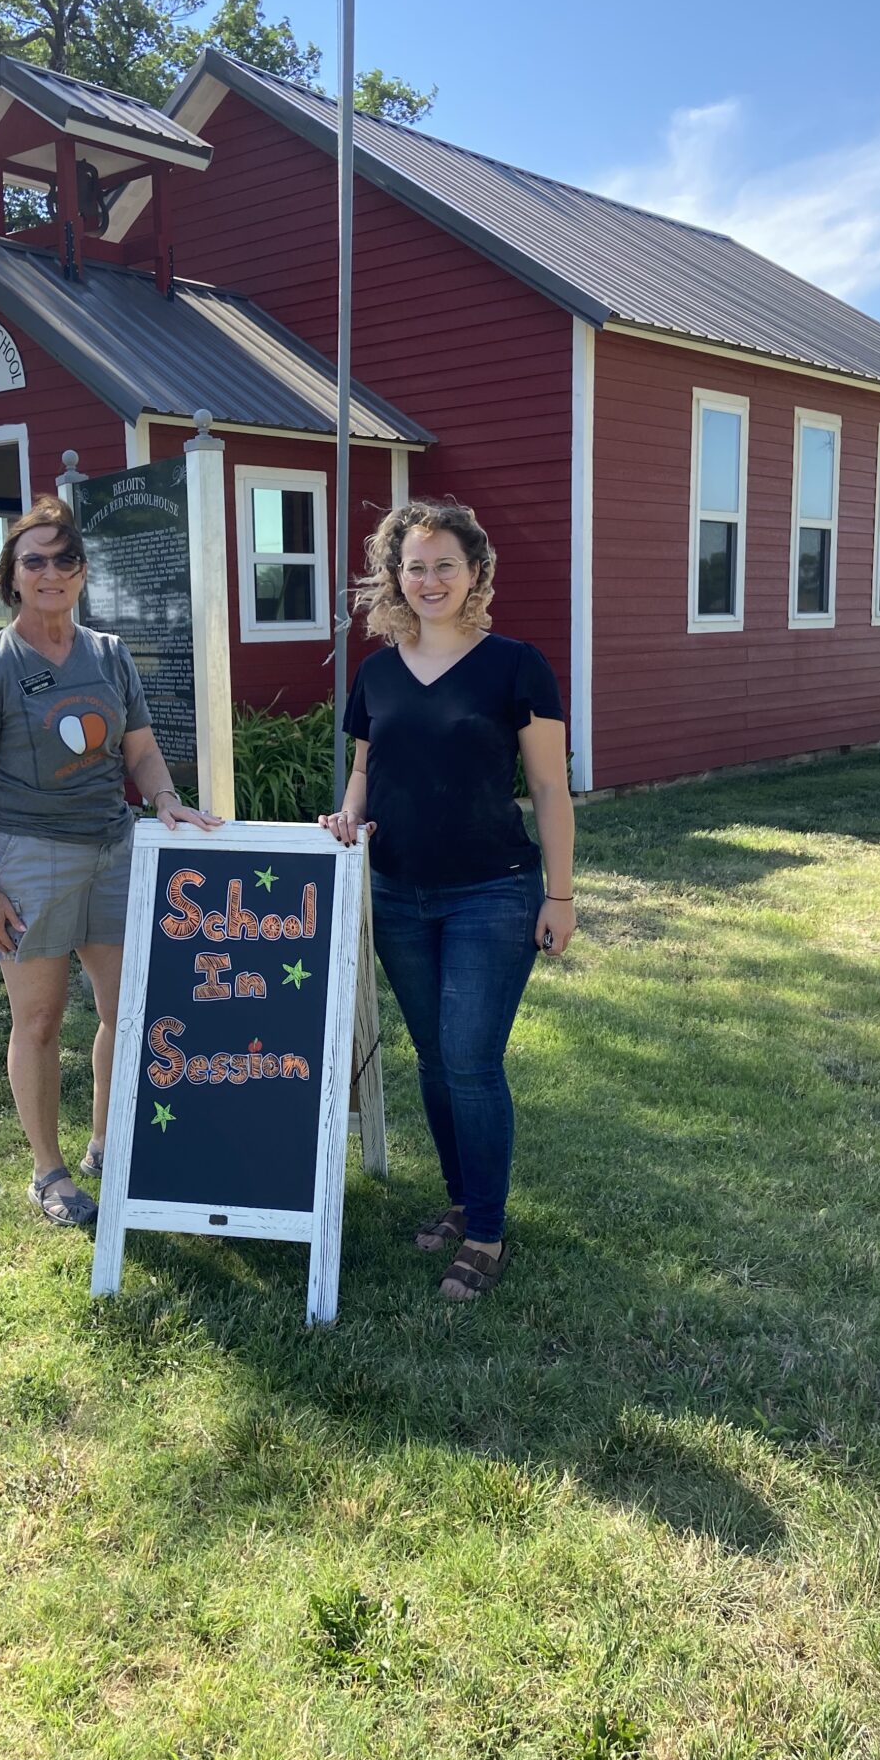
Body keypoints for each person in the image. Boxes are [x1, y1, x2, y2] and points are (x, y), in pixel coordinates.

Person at [320, 501, 575, 1299]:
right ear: (396, 575)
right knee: (433, 1060)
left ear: (476, 574)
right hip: (398, 891)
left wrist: (560, 894)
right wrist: (350, 812)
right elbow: (367, 767)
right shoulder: (377, 671)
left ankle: (490, 1233)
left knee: (470, 1059)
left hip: (491, 894)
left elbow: (548, 788)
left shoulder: (516, 666)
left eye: (445, 566)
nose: (429, 580)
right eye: (415, 566)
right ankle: (463, 1204)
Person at [0, 495, 220, 1226]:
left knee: (125, 1010)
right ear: (12, 577)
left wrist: (164, 799)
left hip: (113, 850)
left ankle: (106, 1142)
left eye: (66, 560)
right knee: (38, 1021)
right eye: (35, 561)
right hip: (28, 860)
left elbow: (139, 749)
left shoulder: (108, 654)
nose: (52, 572)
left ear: (83, 573)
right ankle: (49, 1173)